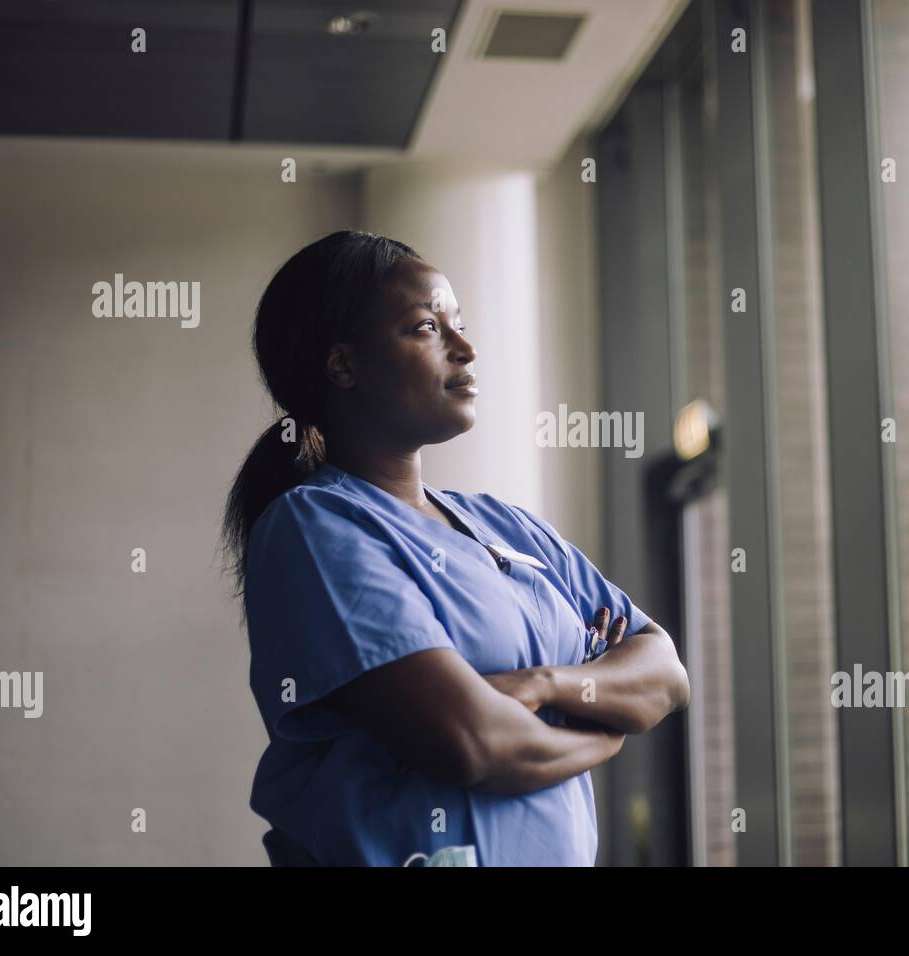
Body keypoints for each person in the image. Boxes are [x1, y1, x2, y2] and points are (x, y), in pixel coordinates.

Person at [220, 230, 690, 866]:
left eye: (459, 323)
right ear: (343, 365)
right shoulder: (317, 526)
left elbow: (663, 672)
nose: (465, 348)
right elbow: (476, 744)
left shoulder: (508, 526)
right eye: (425, 327)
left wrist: (543, 684)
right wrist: (605, 728)